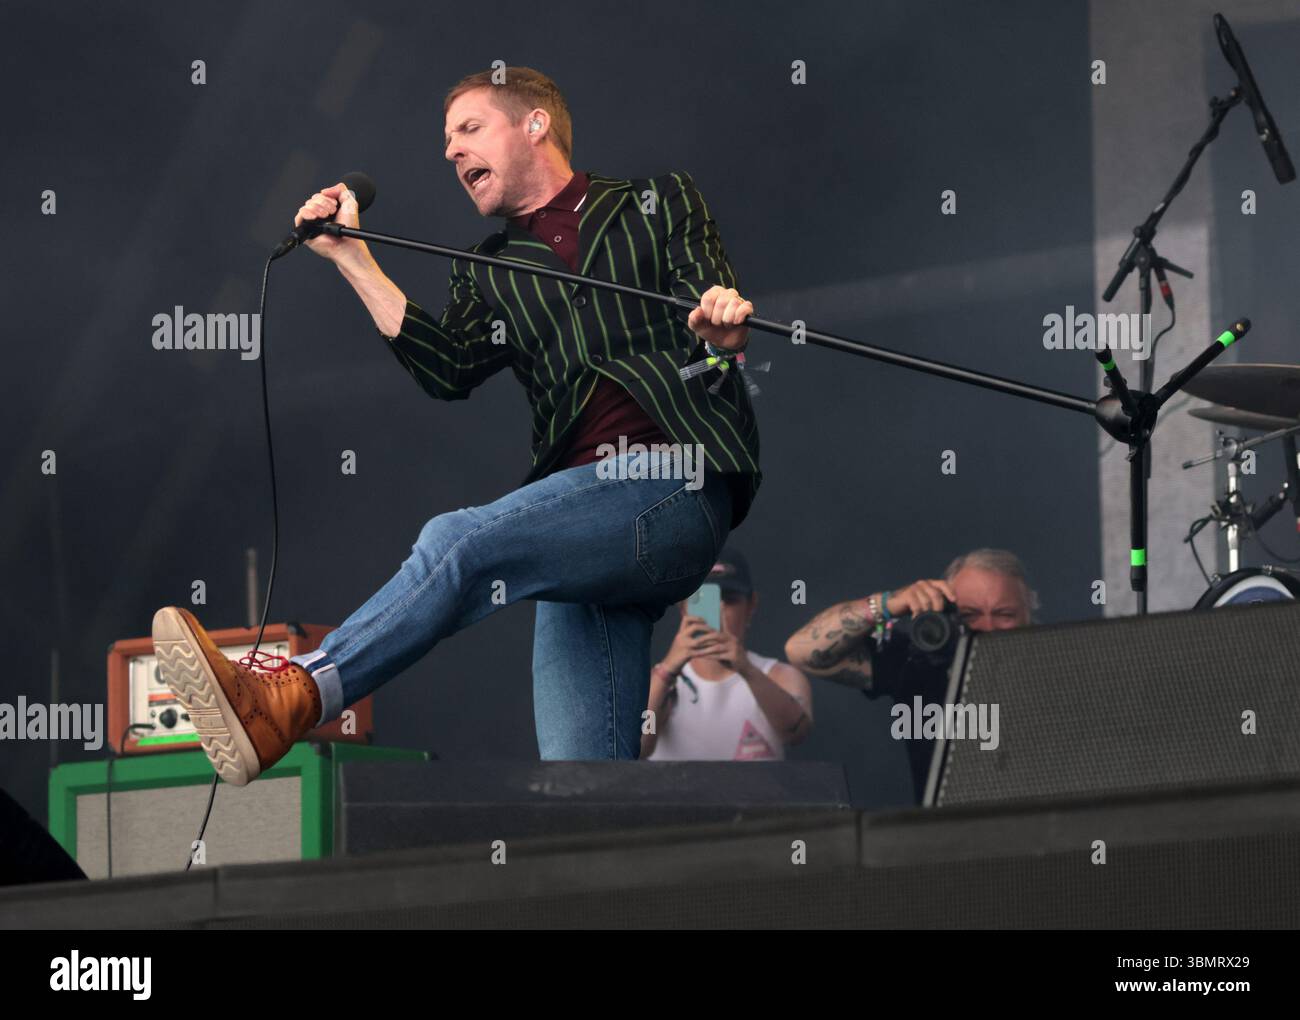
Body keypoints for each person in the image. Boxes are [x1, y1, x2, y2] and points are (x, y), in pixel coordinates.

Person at [151, 66, 761, 786]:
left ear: (535, 123)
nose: (449, 152)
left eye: (468, 129)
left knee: (455, 540)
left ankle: (294, 695)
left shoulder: (657, 202)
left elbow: (705, 307)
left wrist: (719, 332)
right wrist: (352, 256)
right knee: (583, 786)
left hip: (673, 485)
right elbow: (448, 370)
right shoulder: (488, 269)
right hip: (585, 527)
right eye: (446, 140)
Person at [784, 548, 1036, 802]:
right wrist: (886, 604)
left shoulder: (1058, 663)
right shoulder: (918, 661)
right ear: (946, 615)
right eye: (969, 615)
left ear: (1030, 614)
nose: (987, 627)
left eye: (1005, 615)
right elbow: (801, 651)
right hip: (948, 834)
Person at [643, 549, 812, 760]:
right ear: (683, 608)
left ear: (751, 606)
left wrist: (746, 669)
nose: (719, 609)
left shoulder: (780, 676)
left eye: (730, 599)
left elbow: (795, 733)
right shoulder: (657, 683)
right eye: (703, 600)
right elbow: (638, 749)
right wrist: (667, 670)